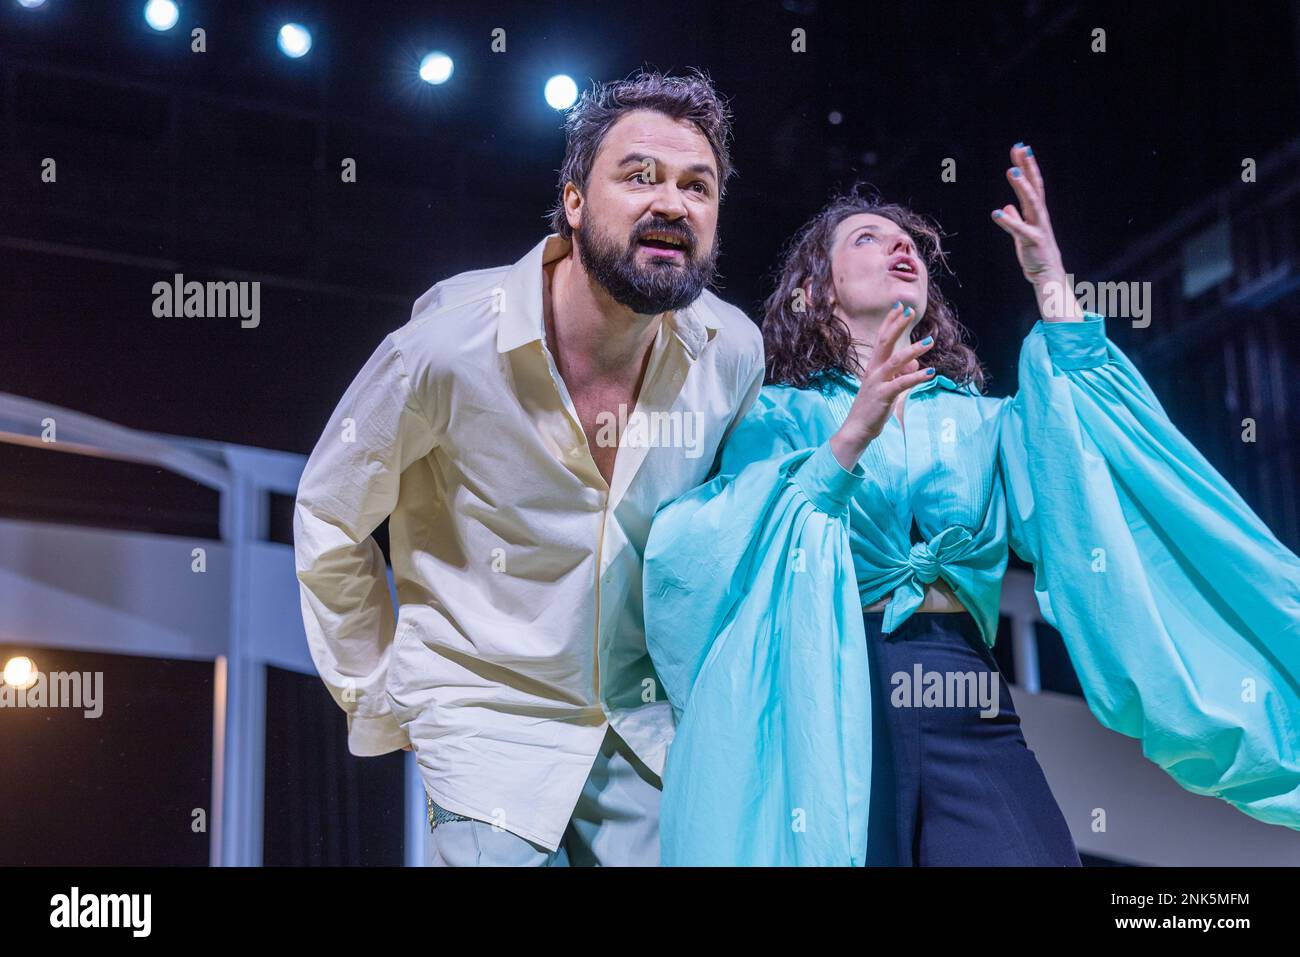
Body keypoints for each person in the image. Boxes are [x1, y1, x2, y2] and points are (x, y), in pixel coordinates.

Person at [642, 144, 1300, 866]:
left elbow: (1090, 447)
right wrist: (846, 443)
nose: (901, 244)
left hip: (966, 686)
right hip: (829, 688)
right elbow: (710, 545)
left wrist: (1052, 282)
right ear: (819, 292)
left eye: (911, 243)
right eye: (868, 238)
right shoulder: (775, 415)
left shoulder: (982, 421)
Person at [293, 70, 763, 866]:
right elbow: (330, 512)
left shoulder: (732, 352)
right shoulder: (448, 345)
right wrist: (382, 692)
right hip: (486, 726)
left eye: (698, 186)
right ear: (574, 201)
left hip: (646, 731)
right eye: (639, 175)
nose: (673, 204)